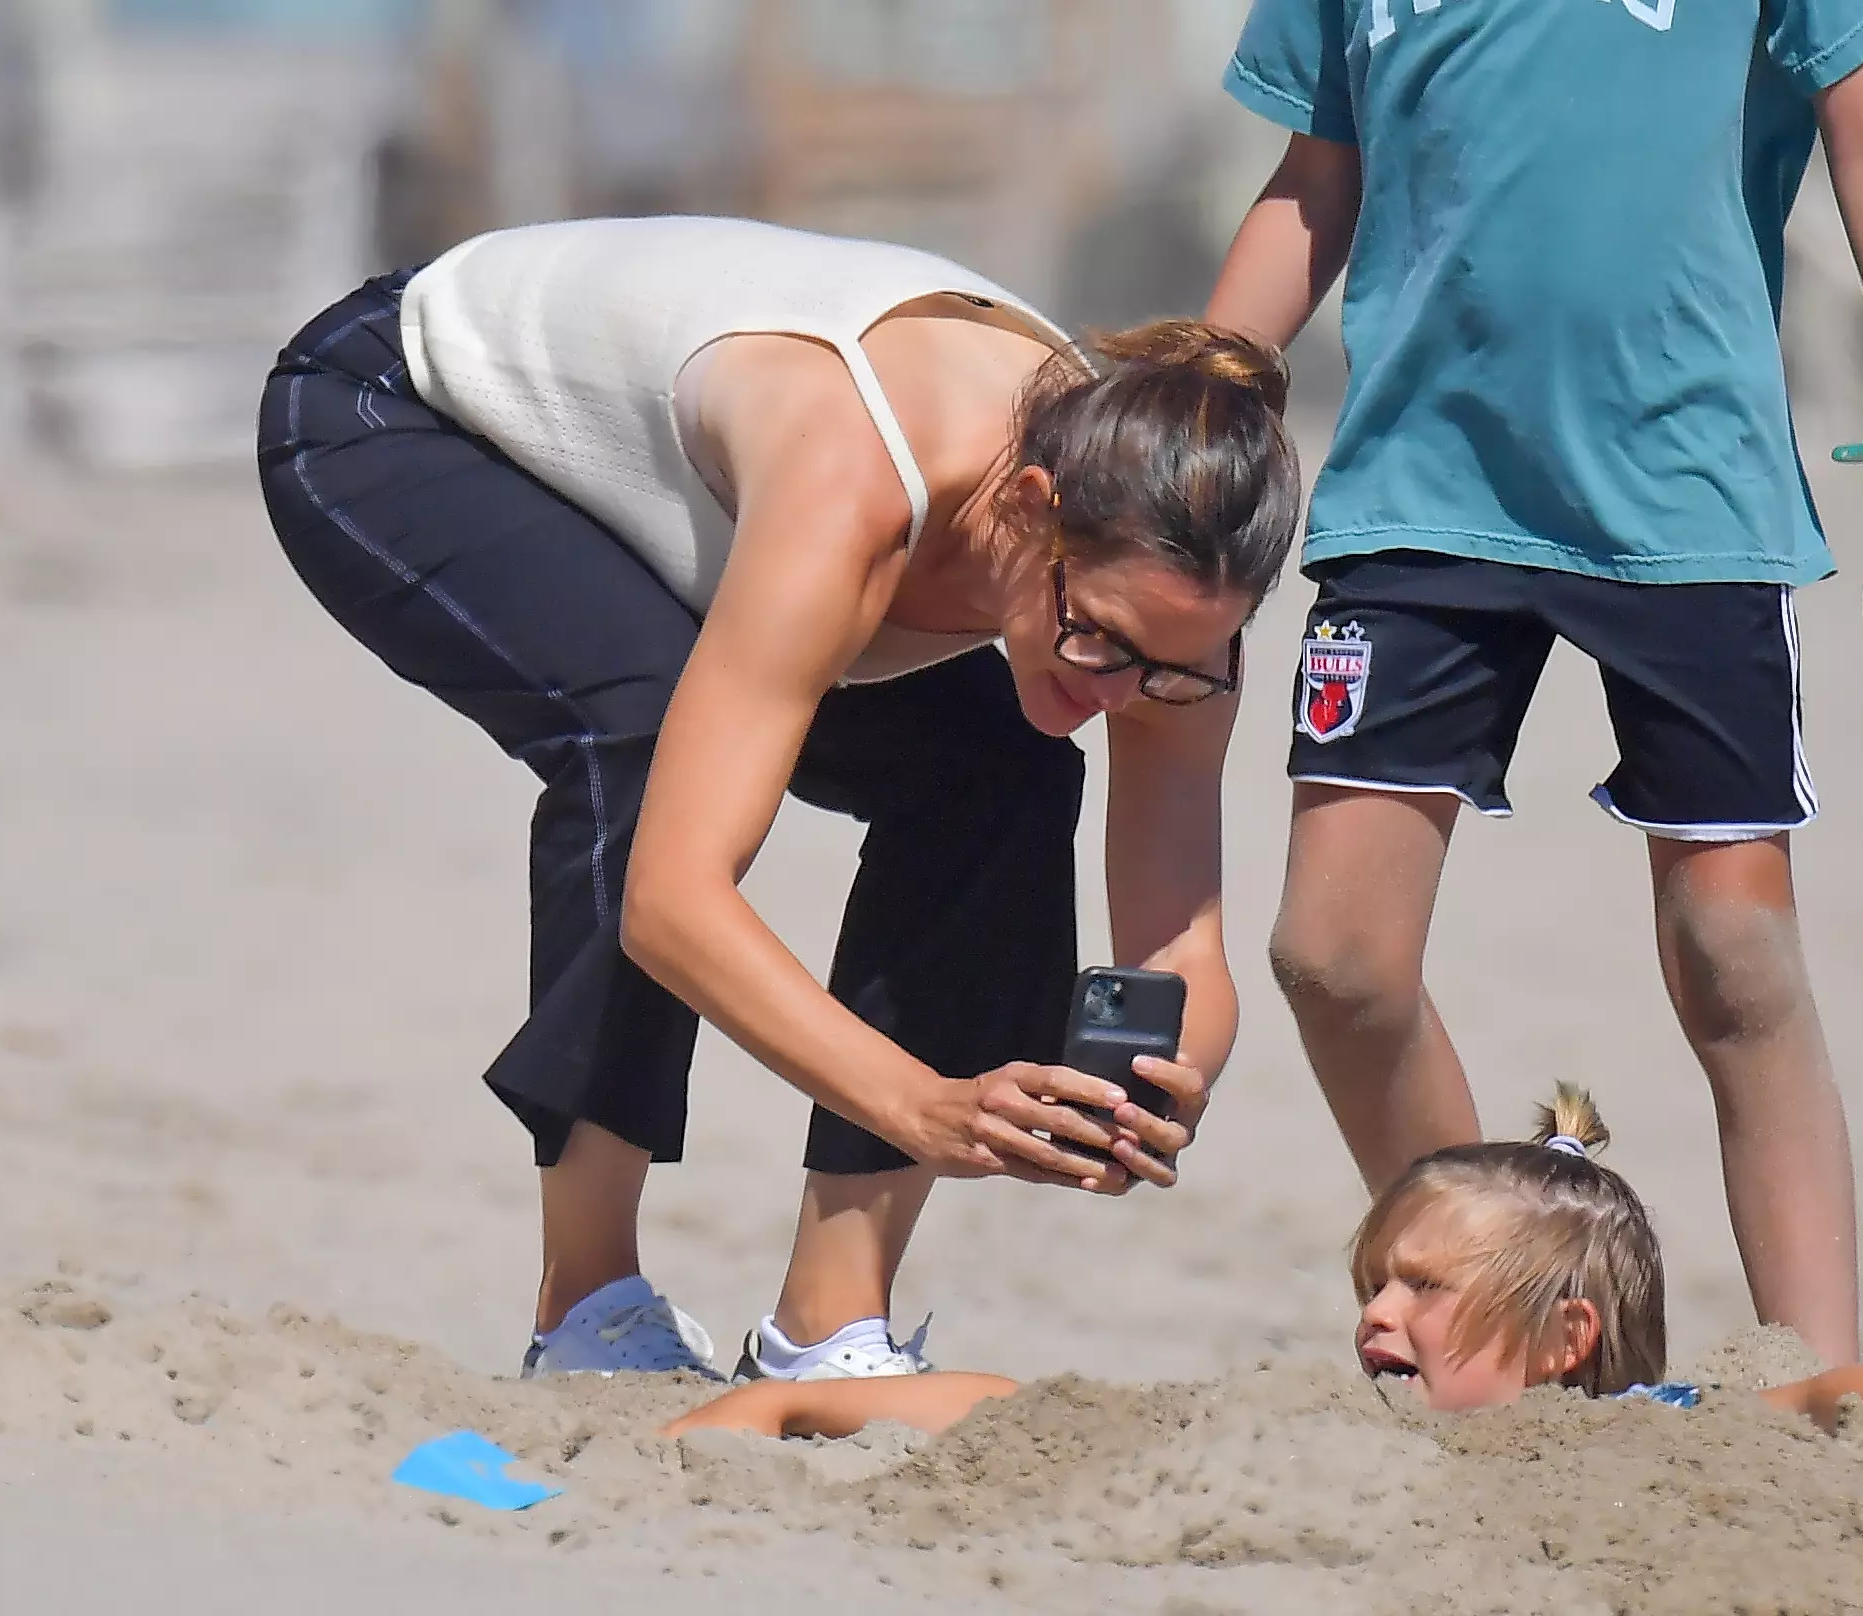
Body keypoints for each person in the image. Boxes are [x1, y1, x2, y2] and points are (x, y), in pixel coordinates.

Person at [256, 217, 1302, 1381]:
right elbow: (670, 900)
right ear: (1030, 507)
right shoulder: (855, 480)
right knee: (644, 740)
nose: (1122, 693)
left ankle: (826, 1323)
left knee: (1006, 761)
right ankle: (588, 1306)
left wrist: (1163, 1088)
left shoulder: (1169, 605)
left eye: (1169, 670)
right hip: (397, 409)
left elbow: (1182, 941)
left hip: (700, 507)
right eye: (1098, 641)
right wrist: (919, 1102)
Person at [1189, 0, 1863, 1368]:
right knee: (1334, 957)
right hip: (1417, 493)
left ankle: (1820, 1385)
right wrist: (1192, 399)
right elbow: (1317, 175)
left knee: (1732, 958)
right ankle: (1496, 1313)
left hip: (1687, 487)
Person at [667, 1086, 1863, 1439]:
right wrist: (795, 1405)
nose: (1376, 1311)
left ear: (1564, 1343)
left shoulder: (1649, 1436)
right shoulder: (1311, 1437)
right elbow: (1038, 1418)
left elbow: (1828, 1394)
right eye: (1377, 1279)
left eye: (1424, 1290)